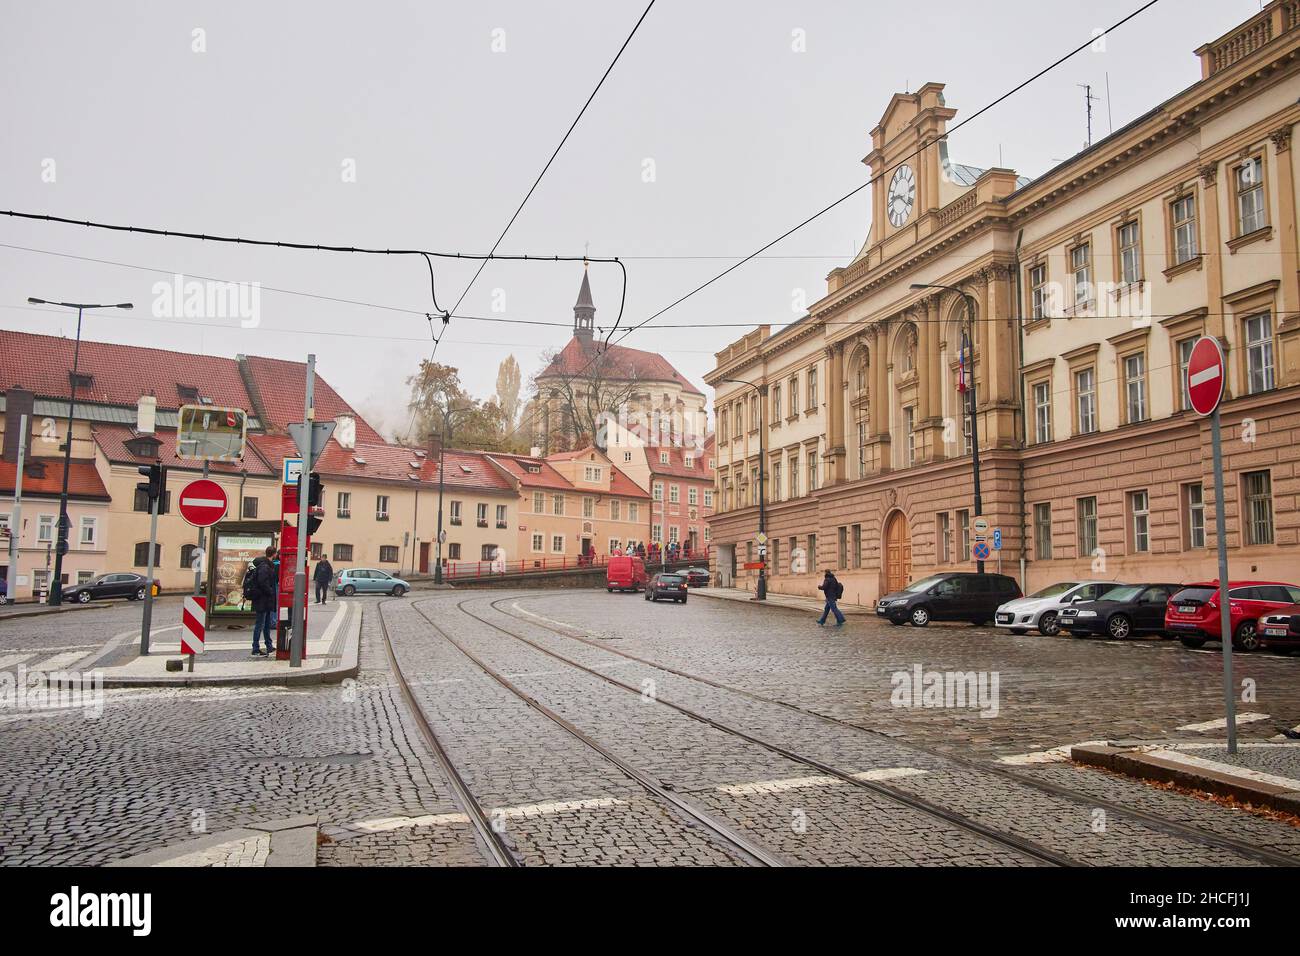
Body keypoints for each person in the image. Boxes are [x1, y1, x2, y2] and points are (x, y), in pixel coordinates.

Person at [250, 545, 279, 657]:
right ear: (274, 554)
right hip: (262, 600)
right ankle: (255, 648)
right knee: (259, 624)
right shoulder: (264, 566)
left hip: (266, 601)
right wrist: (270, 591)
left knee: (266, 624)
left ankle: (269, 646)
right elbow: (263, 582)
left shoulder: (267, 565)